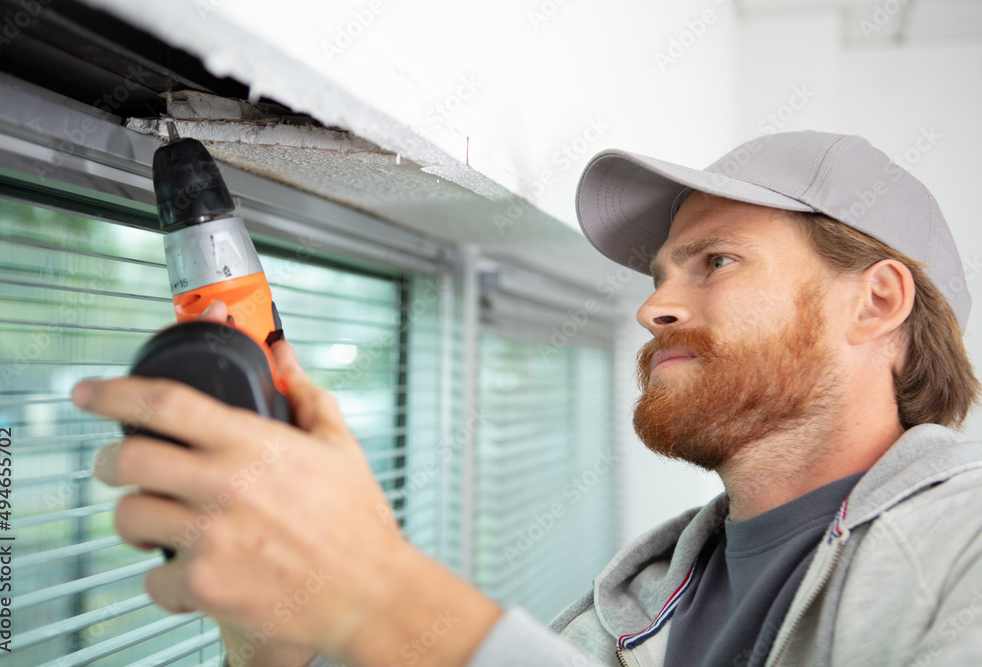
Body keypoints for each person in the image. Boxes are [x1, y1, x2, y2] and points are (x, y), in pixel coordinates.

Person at [71, 130, 982, 667]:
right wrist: (278, 623)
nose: (654, 306)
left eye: (715, 261)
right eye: (661, 274)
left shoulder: (964, 553)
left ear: (877, 301)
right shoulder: (643, 601)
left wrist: (374, 590)